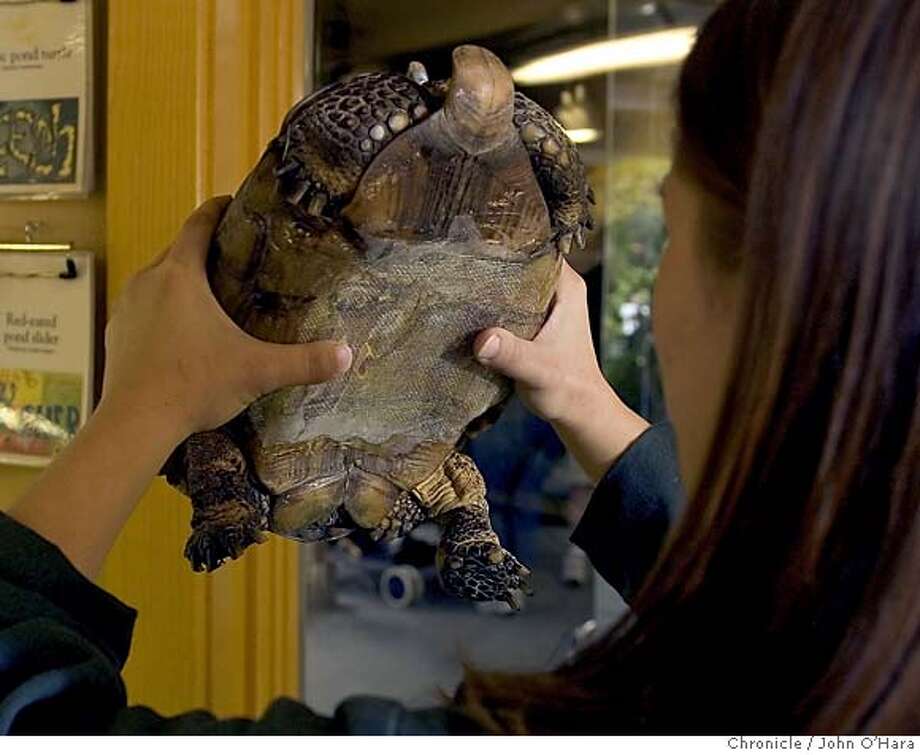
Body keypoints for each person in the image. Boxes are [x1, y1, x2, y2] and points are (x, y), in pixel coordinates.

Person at [1, 0, 917, 734]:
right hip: (388, 395)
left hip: (352, 409)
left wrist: (134, 412)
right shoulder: (841, 678)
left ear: (773, 299)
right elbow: (763, 620)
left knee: (452, 492)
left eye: (673, 226)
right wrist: (588, 401)